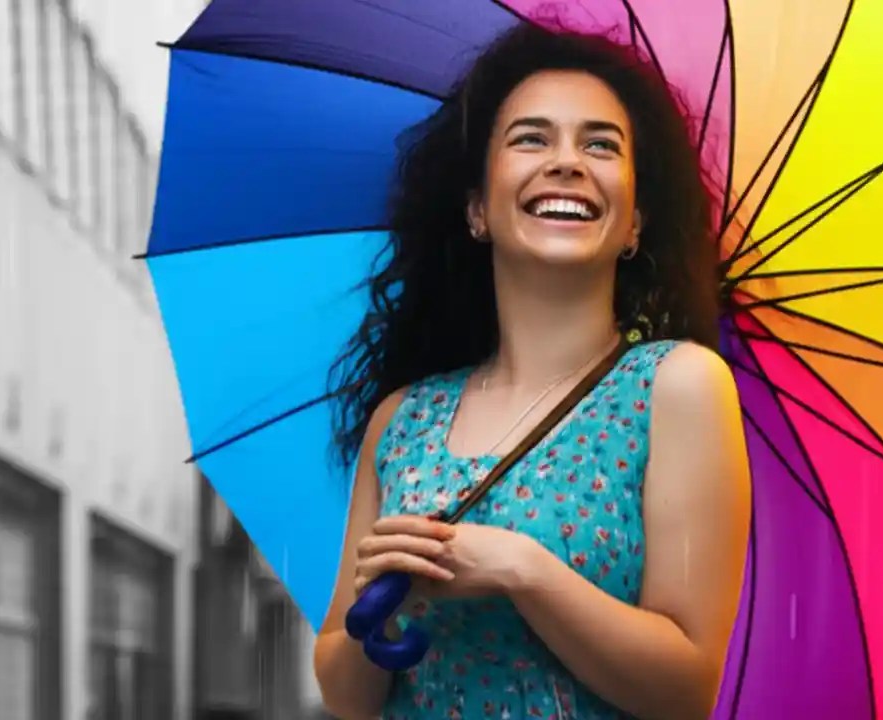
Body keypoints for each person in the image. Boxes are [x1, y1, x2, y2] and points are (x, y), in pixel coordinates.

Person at [312, 22, 750, 720]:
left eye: (601, 144)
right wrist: (383, 609)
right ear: (478, 209)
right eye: (531, 138)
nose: (568, 162)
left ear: (634, 221)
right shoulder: (402, 420)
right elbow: (345, 694)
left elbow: (686, 688)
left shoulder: (678, 386)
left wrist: (519, 570)